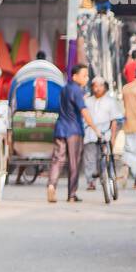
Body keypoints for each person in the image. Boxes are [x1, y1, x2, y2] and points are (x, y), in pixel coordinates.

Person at [47, 64, 95, 203]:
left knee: (58, 159)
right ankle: (71, 194)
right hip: (74, 130)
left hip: (61, 128)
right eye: (84, 75)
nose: (87, 78)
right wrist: (94, 128)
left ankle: (51, 185)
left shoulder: (64, 89)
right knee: (74, 163)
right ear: (75, 76)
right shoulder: (77, 90)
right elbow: (84, 111)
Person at [82, 77, 123, 190]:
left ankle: (107, 178)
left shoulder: (111, 102)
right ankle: (90, 181)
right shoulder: (87, 101)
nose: (98, 88)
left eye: (100, 86)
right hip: (90, 133)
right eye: (95, 86)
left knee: (105, 157)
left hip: (106, 134)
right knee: (90, 158)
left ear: (105, 87)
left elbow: (114, 121)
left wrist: (113, 137)